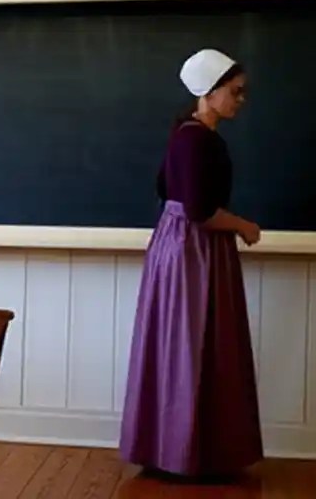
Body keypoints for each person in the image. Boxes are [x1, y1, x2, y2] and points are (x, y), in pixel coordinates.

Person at [119, 48, 264, 479]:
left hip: (179, 245)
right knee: (193, 346)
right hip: (193, 252)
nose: (240, 100)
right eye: (235, 92)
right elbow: (201, 209)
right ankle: (190, 453)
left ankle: (177, 448)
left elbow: (171, 194)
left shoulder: (185, 134)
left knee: (180, 345)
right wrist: (243, 226)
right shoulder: (197, 139)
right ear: (210, 91)